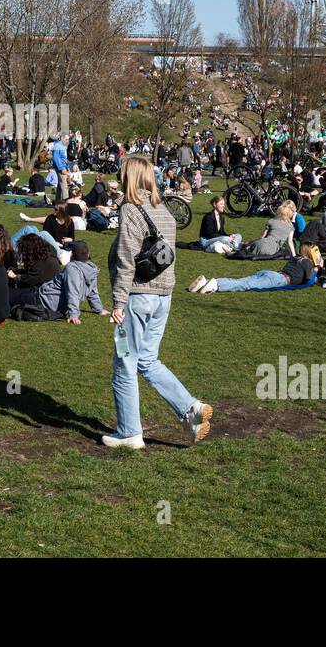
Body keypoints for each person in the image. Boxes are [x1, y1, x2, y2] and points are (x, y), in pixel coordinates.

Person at [104, 153, 210, 450]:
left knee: (125, 363)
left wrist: (117, 303)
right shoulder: (162, 208)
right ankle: (191, 408)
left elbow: (127, 260)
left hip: (137, 297)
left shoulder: (130, 209)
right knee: (148, 360)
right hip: (164, 296)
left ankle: (129, 432)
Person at [187, 245, 317, 293]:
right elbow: (308, 281)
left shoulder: (295, 259)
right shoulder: (307, 263)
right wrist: (316, 268)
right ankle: (216, 284)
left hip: (272, 274)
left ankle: (205, 282)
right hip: (280, 279)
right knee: (245, 285)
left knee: (242, 281)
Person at [37, 240, 107, 323]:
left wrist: (73, 315)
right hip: (47, 300)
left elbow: (72, 292)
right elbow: (92, 292)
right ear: (88, 255)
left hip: (43, 299)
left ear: (72, 255)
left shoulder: (72, 269)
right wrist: (99, 309)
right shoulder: (91, 269)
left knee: (18, 296)